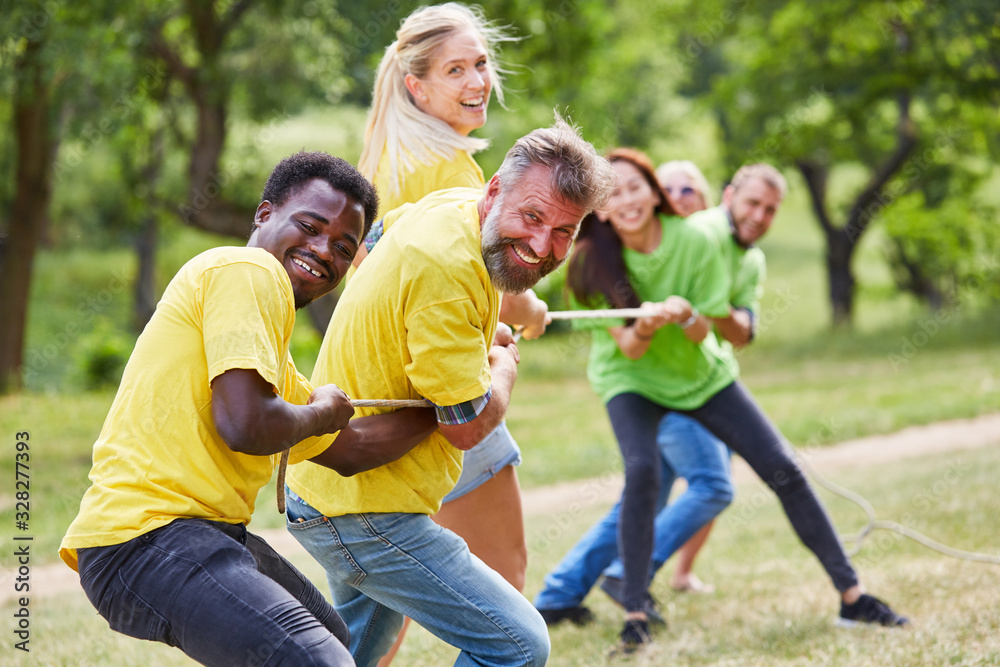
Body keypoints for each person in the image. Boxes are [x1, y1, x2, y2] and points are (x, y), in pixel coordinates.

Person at [59, 151, 439, 667]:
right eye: (309, 226)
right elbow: (246, 425)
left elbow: (348, 450)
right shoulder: (245, 270)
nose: (323, 250)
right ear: (263, 215)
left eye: (344, 247)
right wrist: (325, 410)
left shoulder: (264, 353)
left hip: (199, 536)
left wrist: (446, 403)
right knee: (320, 661)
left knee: (331, 638)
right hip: (146, 538)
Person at [544, 149, 909, 653]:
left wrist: (686, 314)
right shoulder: (590, 264)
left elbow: (703, 333)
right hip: (630, 380)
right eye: (613, 194)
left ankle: (854, 598)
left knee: (785, 469)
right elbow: (627, 347)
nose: (626, 199)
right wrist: (645, 325)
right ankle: (634, 614)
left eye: (635, 187)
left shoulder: (694, 240)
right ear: (599, 210)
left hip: (701, 376)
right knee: (644, 474)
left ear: (655, 192)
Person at [284, 120, 616, 666]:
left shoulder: (451, 208)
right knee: (516, 645)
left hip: (332, 493)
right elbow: (465, 425)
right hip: (361, 511)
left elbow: (376, 238)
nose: (542, 244)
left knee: (350, 659)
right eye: (532, 217)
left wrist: (465, 336)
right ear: (494, 192)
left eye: (564, 231)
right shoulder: (448, 269)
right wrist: (500, 363)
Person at [353, 5, 547, 663]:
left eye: (481, 64)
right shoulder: (450, 171)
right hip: (447, 400)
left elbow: (399, 285)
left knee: (372, 631)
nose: (476, 81)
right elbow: (483, 278)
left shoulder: (389, 157)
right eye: (455, 70)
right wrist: (526, 309)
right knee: (507, 599)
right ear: (417, 86)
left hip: (385, 401)